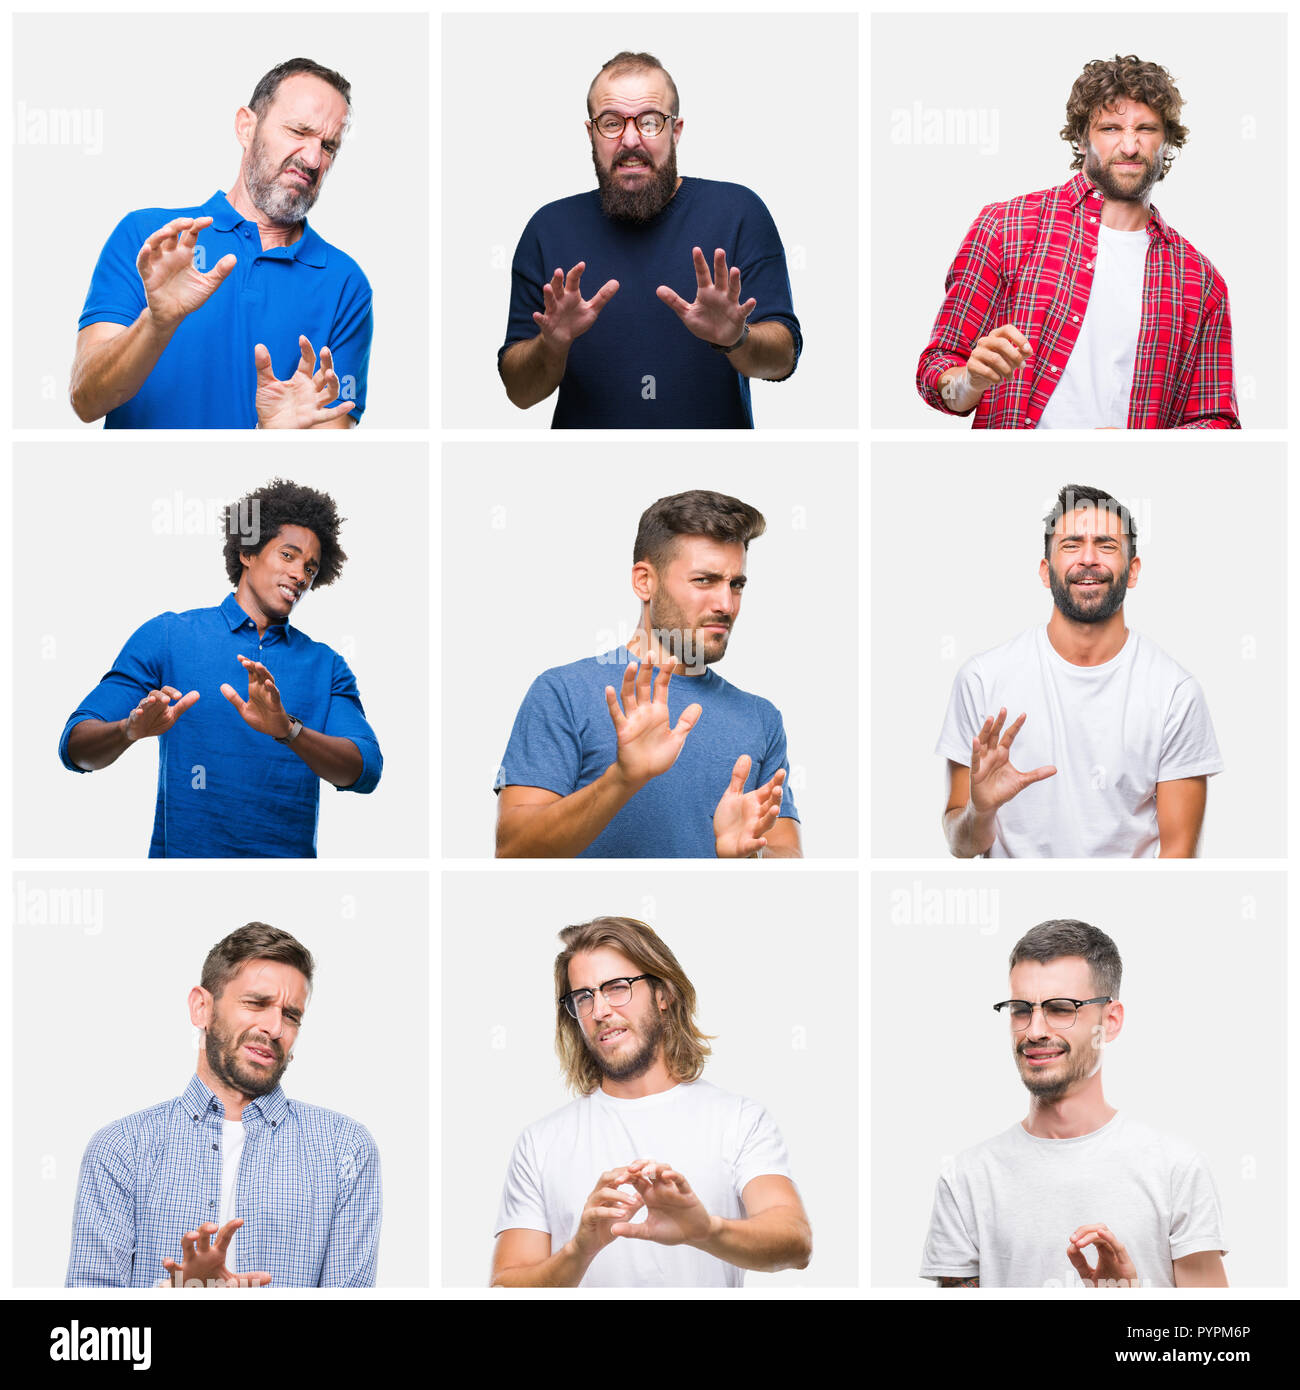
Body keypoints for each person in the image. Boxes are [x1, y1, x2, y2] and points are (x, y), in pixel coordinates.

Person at [58, 478, 382, 857]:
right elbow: (75, 747)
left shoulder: (326, 664)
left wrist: (287, 730)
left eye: (310, 568)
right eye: (288, 556)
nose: (300, 576)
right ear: (248, 553)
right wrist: (128, 730)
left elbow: (366, 771)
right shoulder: (168, 635)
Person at [916, 54, 1237, 429]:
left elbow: (1218, 422)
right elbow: (936, 369)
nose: (1130, 146)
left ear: (1167, 142)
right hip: (1007, 480)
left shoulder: (1199, 280)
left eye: (1146, 129)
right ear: (1083, 139)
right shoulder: (1006, 227)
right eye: (1111, 128)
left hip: (1128, 486)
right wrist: (970, 382)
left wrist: (1140, 448)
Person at [491, 916, 812, 1287]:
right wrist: (580, 1249)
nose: (599, 1012)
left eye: (616, 987)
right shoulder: (539, 1143)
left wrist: (705, 1231)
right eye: (583, 997)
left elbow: (795, 1241)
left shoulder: (738, 1119)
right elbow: (505, 1287)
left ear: (663, 994)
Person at [66, 922, 382, 1287]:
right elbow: (91, 1334)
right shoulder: (122, 1148)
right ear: (202, 1008)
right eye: (256, 1003)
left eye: (291, 1015)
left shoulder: (346, 1150)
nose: (275, 1027)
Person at [498, 50, 801, 429]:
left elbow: (783, 360)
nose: (630, 139)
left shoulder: (739, 211)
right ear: (591, 134)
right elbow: (520, 393)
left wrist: (736, 338)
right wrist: (551, 345)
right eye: (611, 123)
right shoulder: (546, 228)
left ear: (675, 131)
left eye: (650, 122)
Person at [920, 919, 1227, 1289]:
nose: (1034, 1031)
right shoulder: (965, 1180)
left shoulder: (1175, 1170)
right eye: (1020, 1009)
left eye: (1061, 1008)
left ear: (1110, 1021)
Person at [495, 489, 801, 857]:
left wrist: (749, 857)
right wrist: (622, 779)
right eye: (704, 580)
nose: (726, 604)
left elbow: (788, 854)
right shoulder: (563, 692)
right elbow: (514, 850)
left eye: (736, 584)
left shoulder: (761, 718)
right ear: (644, 581)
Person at [70, 58, 370, 429]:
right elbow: (86, 400)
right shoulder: (149, 238)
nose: (312, 158)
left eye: (328, 146)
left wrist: (273, 436)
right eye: (298, 131)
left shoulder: (346, 284)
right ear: (247, 127)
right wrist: (157, 323)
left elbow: (327, 449)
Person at [937, 483, 1221, 857]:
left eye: (1106, 545)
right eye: (1071, 545)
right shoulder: (981, 679)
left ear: (1132, 571)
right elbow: (962, 845)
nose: (1088, 559)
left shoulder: (1174, 692)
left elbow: (1178, 856)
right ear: (1045, 570)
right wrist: (982, 809)